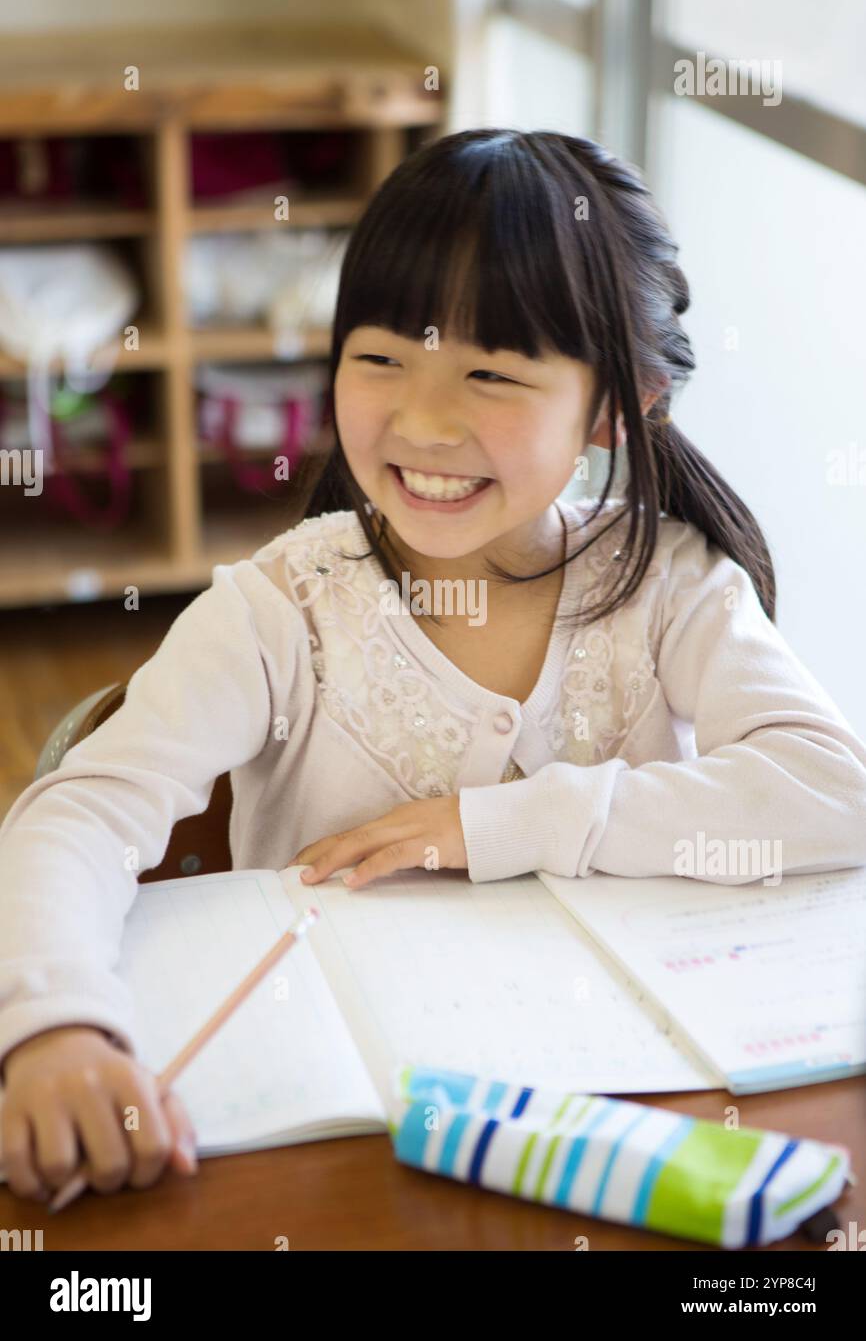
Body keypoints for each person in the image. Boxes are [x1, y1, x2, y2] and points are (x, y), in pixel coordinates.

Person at [1, 129, 864, 1205]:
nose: (419, 419)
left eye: (490, 374)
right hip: (336, 1156)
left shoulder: (669, 584)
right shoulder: (287, 608)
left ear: (615, 402)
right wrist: (55, 1026)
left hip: (626, 1123)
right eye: (379, 359)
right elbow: (76, 813)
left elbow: (836, 794)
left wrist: (490, 824)